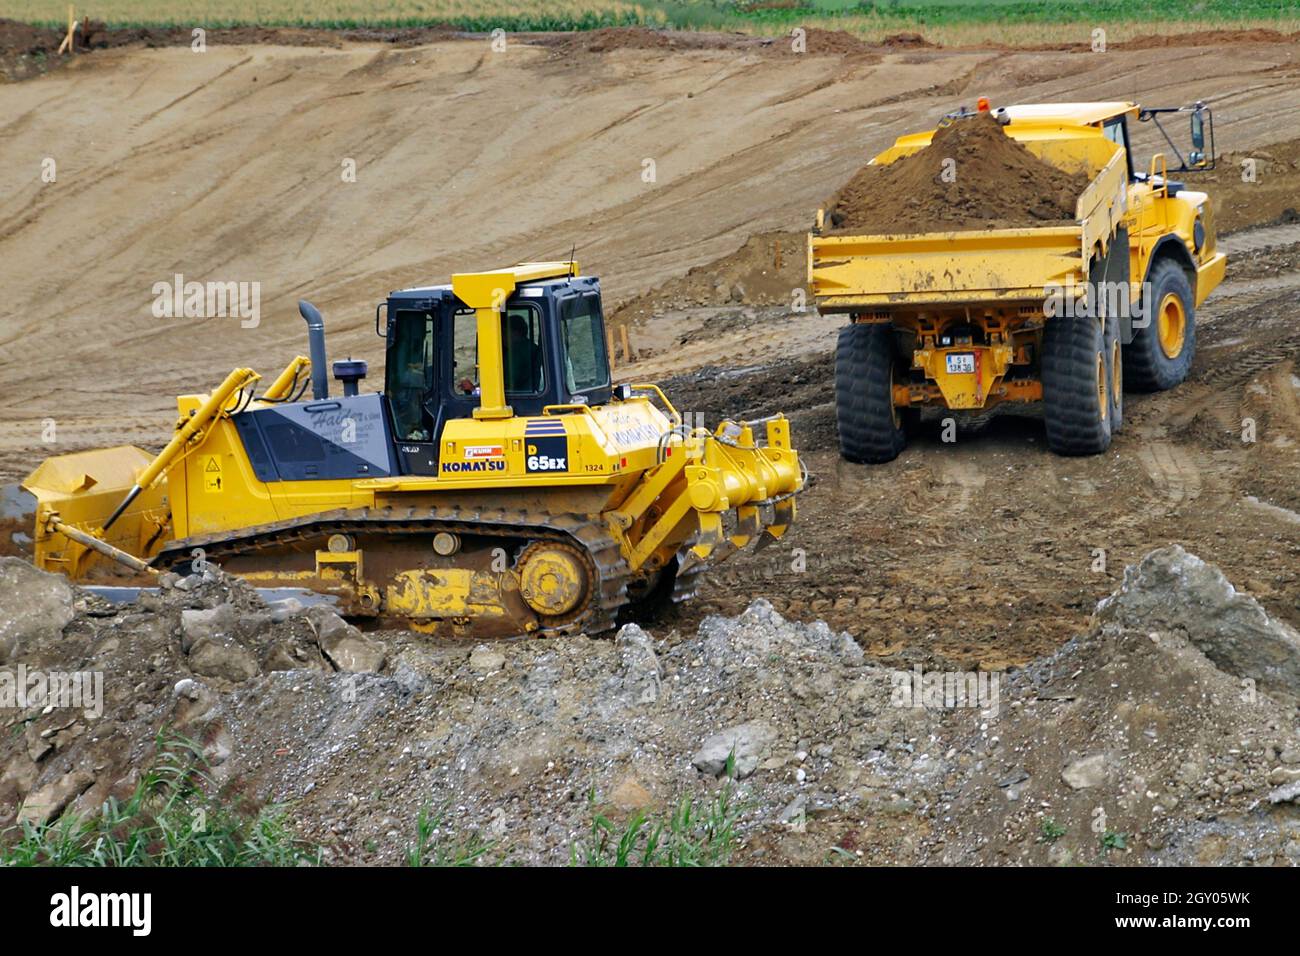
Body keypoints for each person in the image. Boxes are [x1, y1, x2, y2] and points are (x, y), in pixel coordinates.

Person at [504, 312, 539, 392]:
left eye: (504, 332)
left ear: (515, 333)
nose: (502, 336)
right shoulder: (532, 346)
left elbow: (509, 382)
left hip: (520, 396)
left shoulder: (514, 352)